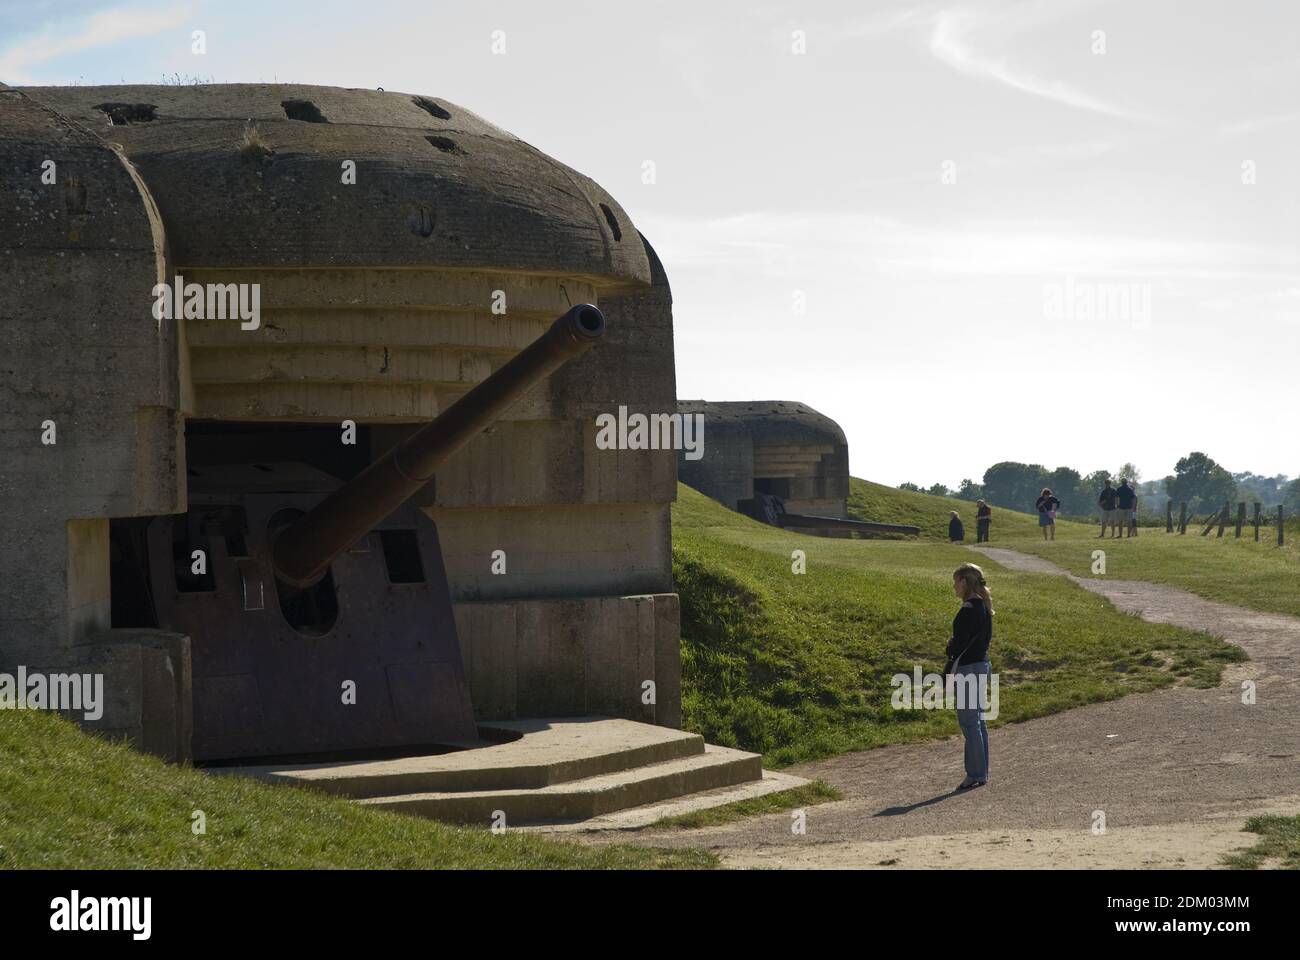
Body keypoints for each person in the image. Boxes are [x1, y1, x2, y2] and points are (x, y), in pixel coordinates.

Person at [946, 563, 993, 790]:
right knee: (978, 720)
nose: (954, 586)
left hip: (969, 668)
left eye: (956, 581)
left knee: (969, 722)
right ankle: (981, 772)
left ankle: (975, 773)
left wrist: (950, 647)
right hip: (982, 664)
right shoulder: (983, 605)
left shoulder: (968, 608)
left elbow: (959, 642)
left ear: (964, 582)